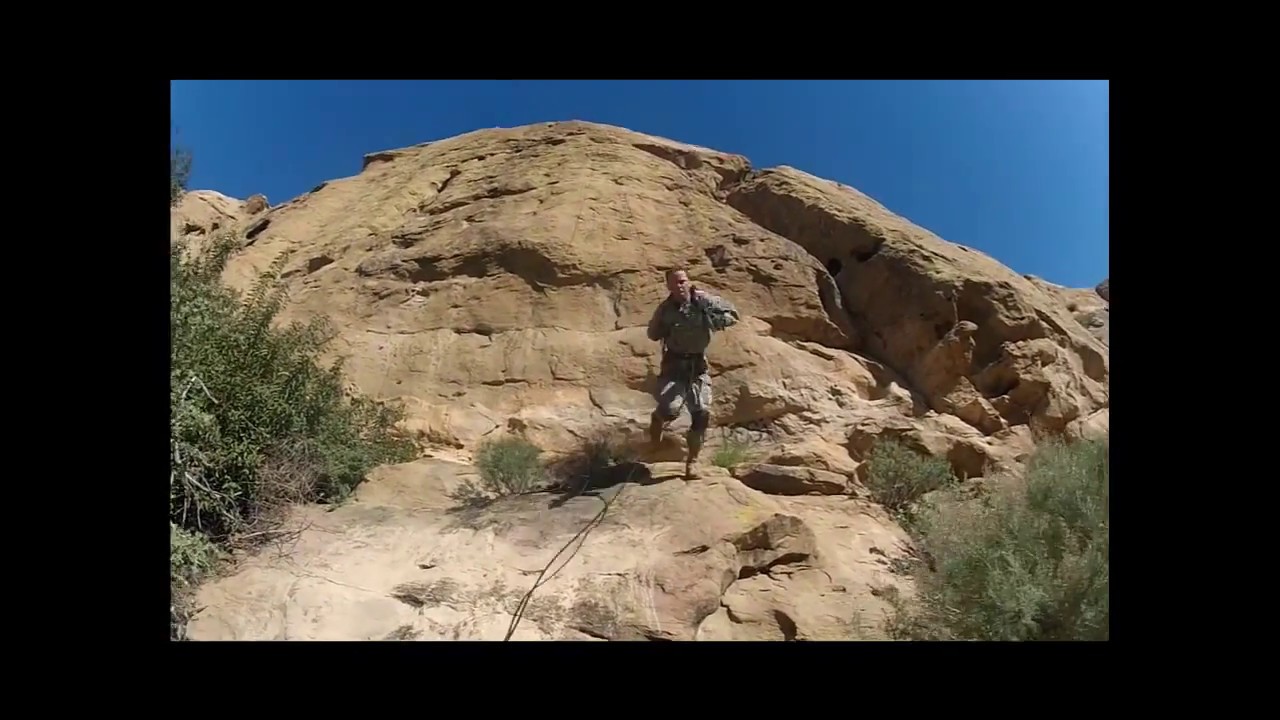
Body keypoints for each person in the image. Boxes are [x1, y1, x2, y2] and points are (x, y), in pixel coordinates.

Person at [646, 268, 741, 478]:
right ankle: (657, 423)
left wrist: (716, 320)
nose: (680, 286)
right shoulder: (665, 309)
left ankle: (693, 462)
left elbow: (733, 314)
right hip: (674, 365)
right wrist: (665, 328)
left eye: (683, 281)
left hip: (698, 366)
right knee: (670, 409)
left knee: (702, 414)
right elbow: (652, 333)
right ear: (668, 286)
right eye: (675, 283)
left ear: (688, 281)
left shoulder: (703, 300)